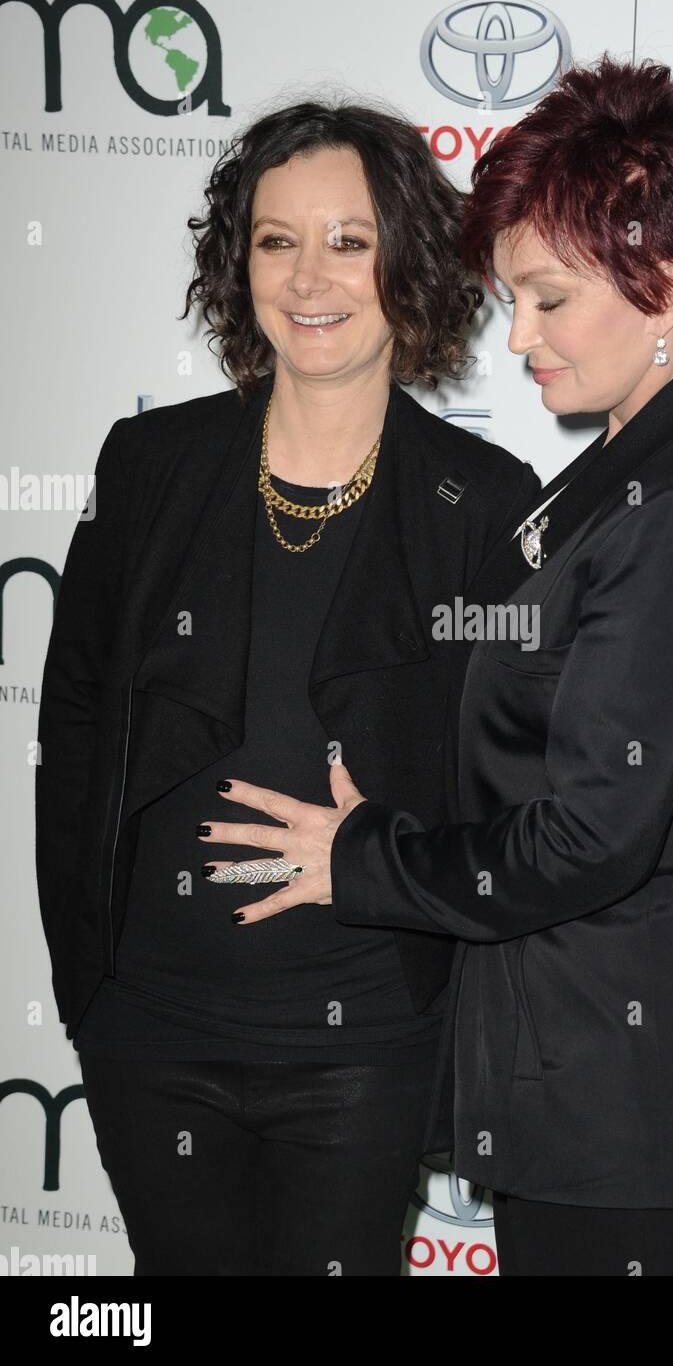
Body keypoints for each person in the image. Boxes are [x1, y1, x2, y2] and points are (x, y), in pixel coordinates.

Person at [203, 57, 673, 1277]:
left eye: (547, 301)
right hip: (608, 1070)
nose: (518, 339)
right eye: (511, 298)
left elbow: (584, 840)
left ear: (662, 288)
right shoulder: (645, 449)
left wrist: (362, 860)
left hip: (656, 1100)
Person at [34, 96, 539, 1276]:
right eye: (275, 240)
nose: (309, 277)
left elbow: (511, 790)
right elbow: (72, 721)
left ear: (406, 262)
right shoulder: (149, 464)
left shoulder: (484, 501)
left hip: (361, 1040)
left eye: (349, 240)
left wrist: (378, 854)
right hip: (151, 1030)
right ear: (238, 262)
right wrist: (87, 985)